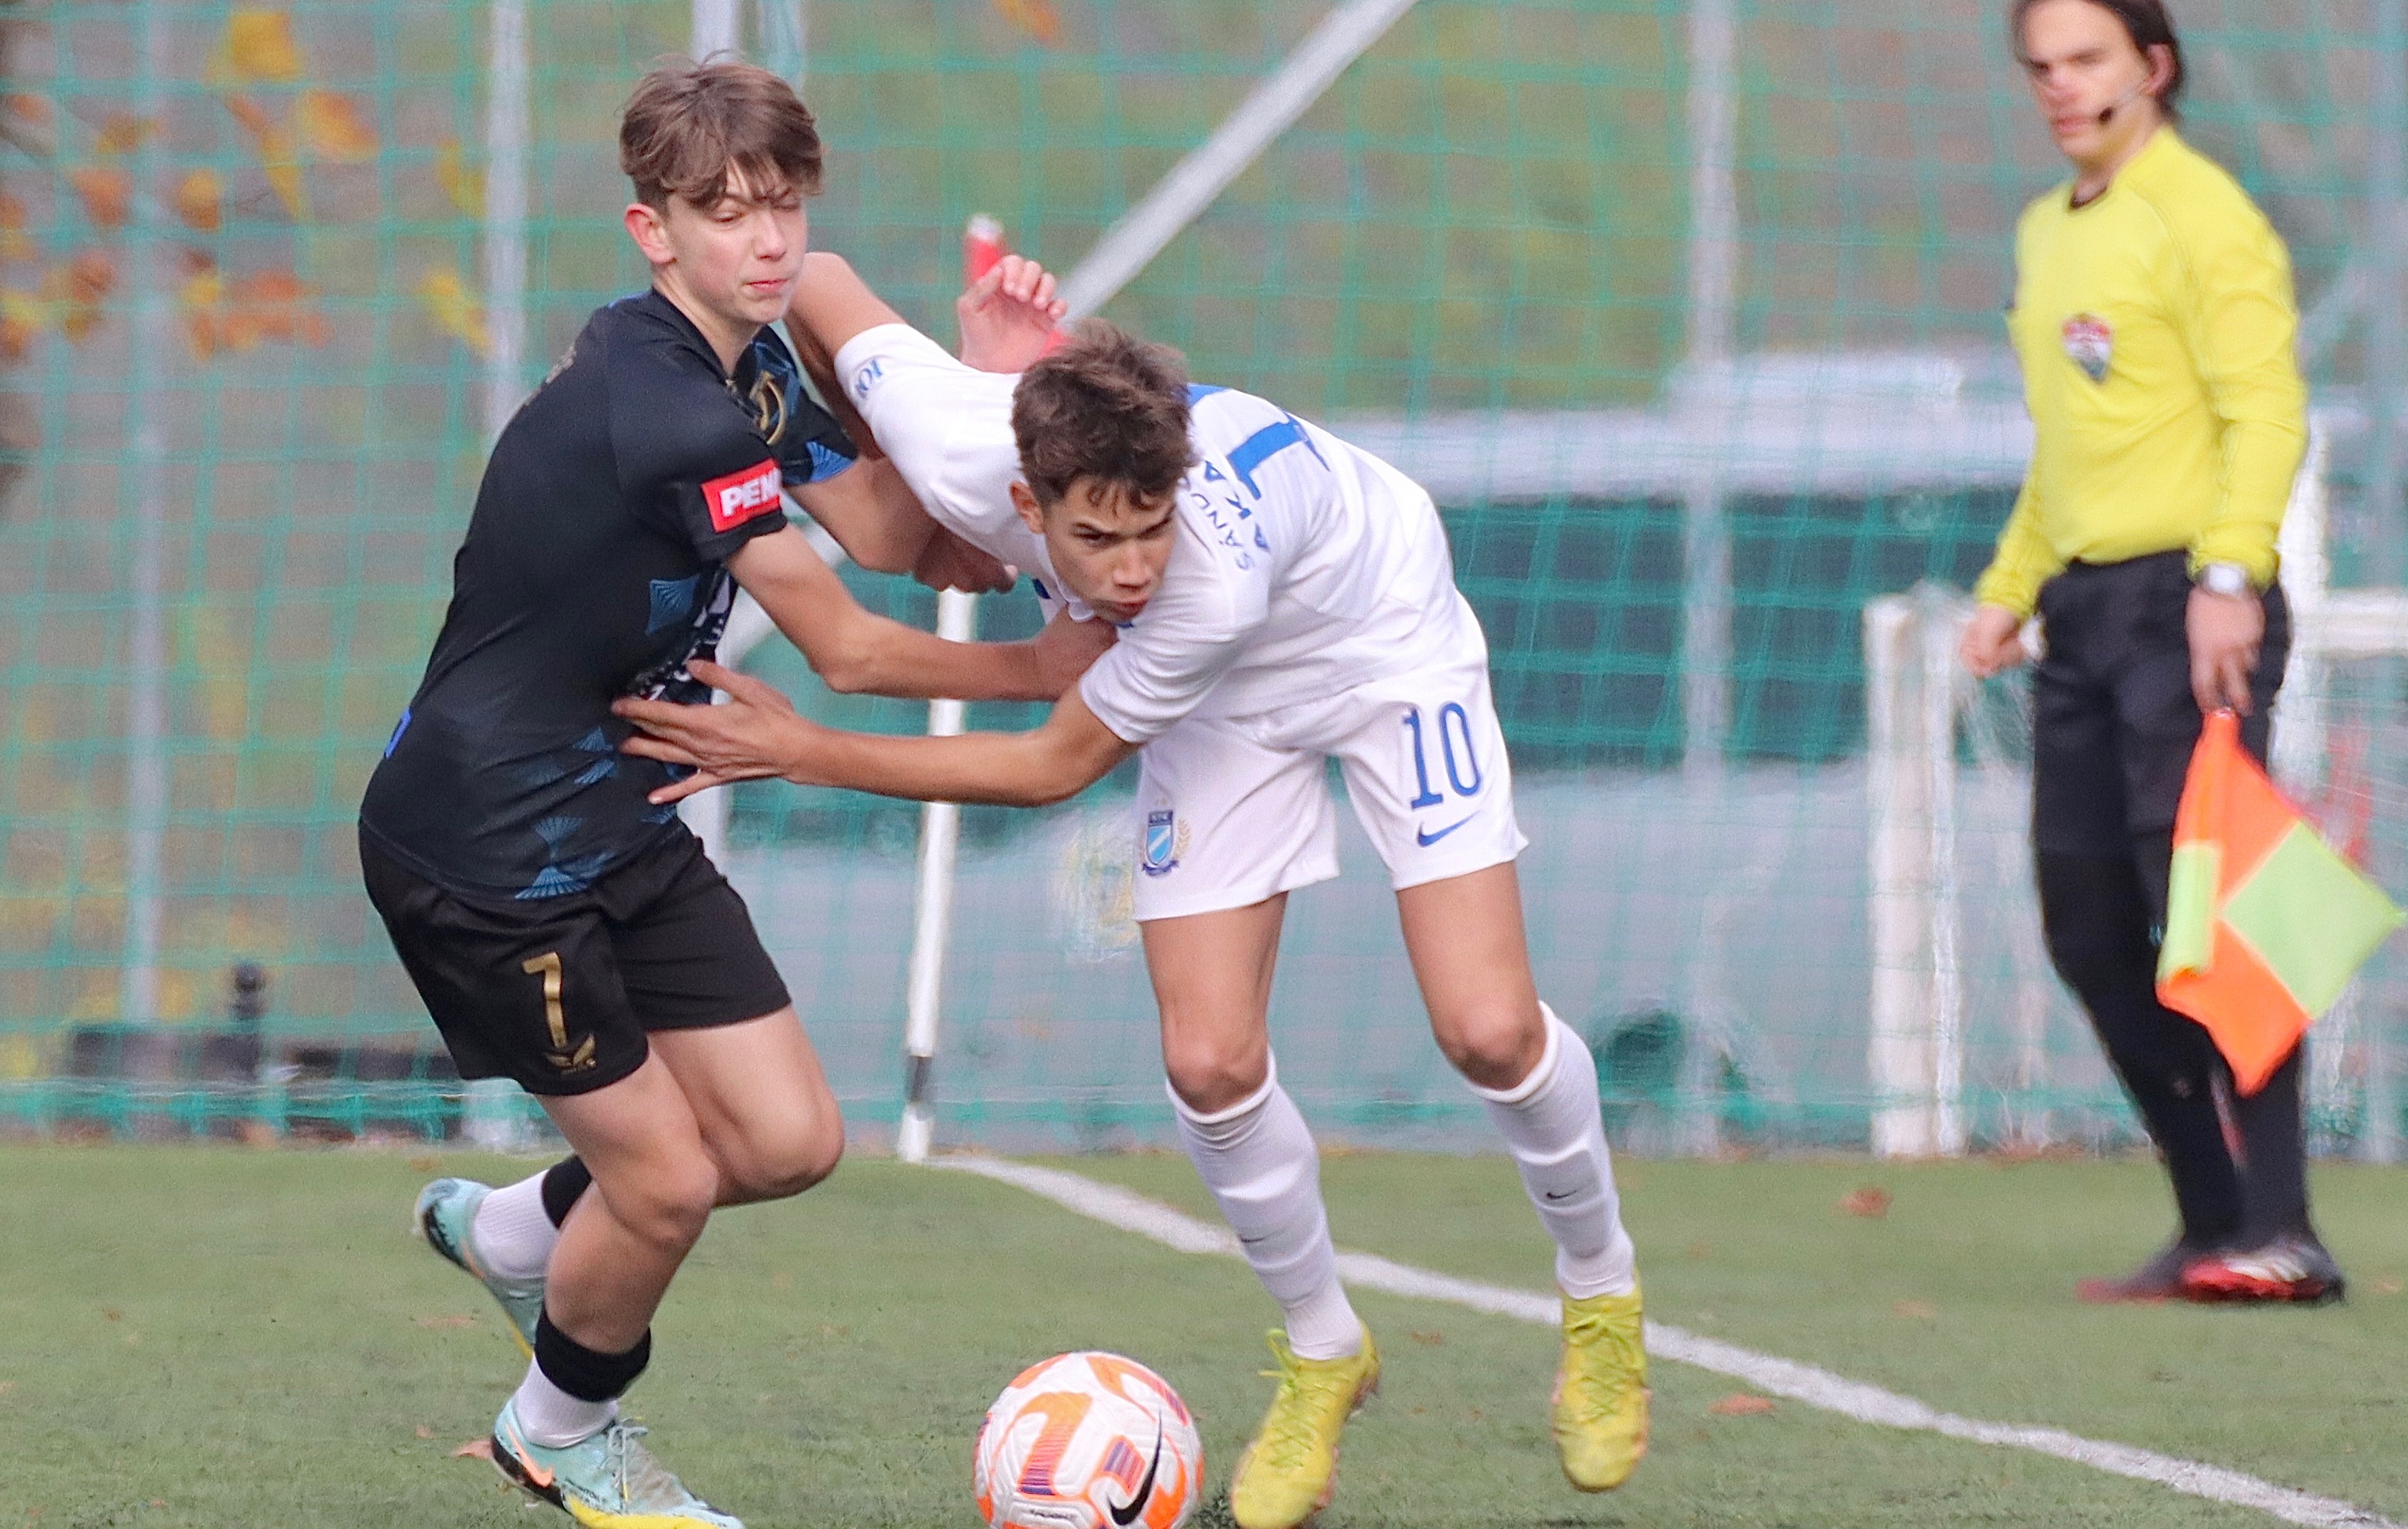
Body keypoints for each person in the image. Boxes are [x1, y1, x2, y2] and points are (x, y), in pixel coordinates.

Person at [615, 259, 1654, 1529]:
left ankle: (1600, 1292)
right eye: (1094, 539)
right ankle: (1324, 1350)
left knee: (1485, 1026)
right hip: (1216, 698)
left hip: (1382, 640)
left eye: (1149, 526)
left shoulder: (1193, 589)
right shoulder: (956, 442)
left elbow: (1051, 765)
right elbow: (818, 283)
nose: (1127, 569)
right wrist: (878, 464)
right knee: (1209, 1061)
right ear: (1022, 498)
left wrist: (802, 751)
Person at [360, 61, 1095, 1527]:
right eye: (724, 213)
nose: (767, 240)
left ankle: (515, 1230)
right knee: (671, 1182)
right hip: (488, 850)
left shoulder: (747, 367)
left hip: (624, 807)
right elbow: (851, 648)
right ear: (652, 229)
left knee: (786, 1144)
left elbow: (890, 524)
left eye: (784, 206)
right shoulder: (664, 404)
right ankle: (560, 1431)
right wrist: (1064, 670)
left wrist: (989, 386)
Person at [1959, 0, 2339, 1304]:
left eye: (2087, 62)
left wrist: (2230, 574)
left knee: (2215, 911)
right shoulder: (2042, 231)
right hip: (2079, 616)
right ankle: (2209, 1218)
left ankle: (2282, 1226)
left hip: (2189, 603)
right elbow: (2067, 447)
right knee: (2085, 923)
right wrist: (2008, 589)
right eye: (2041, 68)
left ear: (2153, 67)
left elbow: (2265, 407)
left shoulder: (2205, 213)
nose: (2061, 88)